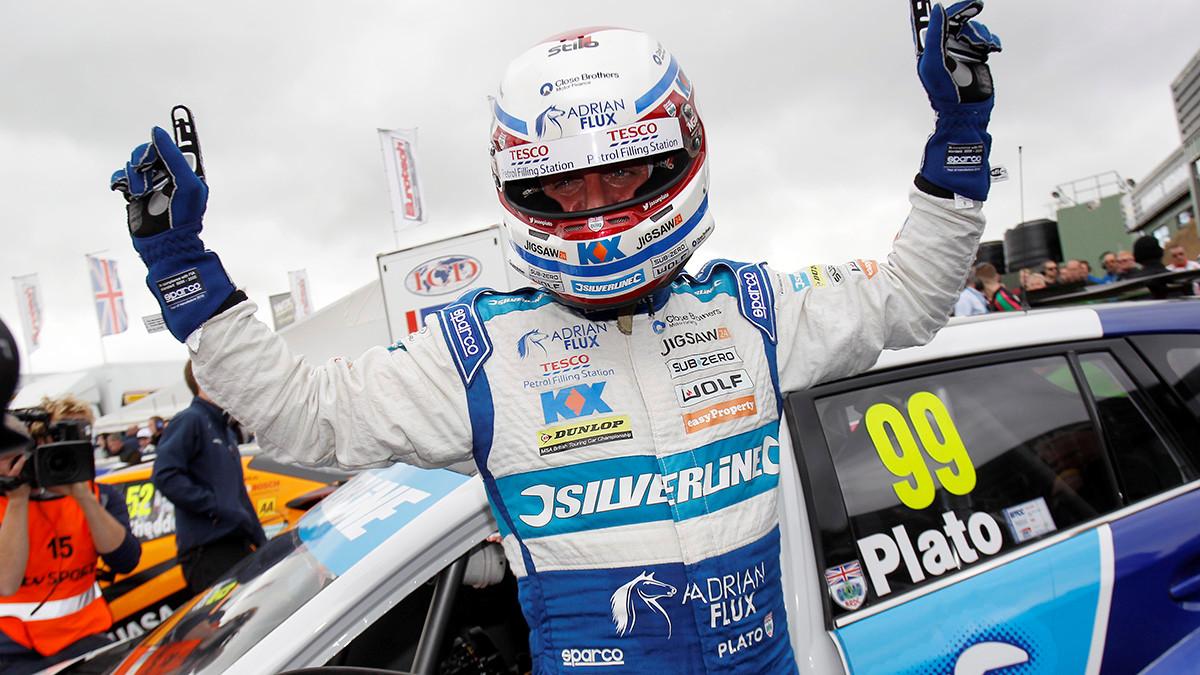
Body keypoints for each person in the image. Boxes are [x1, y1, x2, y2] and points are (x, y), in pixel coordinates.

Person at [110, 7, 1001, 673]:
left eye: (619, 166)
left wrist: (958, 135)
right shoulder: (477, 355)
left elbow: (910, 300)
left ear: (672, 156)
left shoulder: (753, 315)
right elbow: (303, 417)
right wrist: (182, 266)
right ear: (519, 187)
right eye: (561, 182)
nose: (593, 205)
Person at [0, 395, 141, 675]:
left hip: (86, 643)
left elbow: (126, 560)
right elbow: (6, 583)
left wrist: (82, 496)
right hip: (14, 652)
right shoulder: (7, 501)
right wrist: (18, 498)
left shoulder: (99, 496)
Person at [152, 361, 265, 596]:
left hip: (235, 544)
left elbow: (238, 495)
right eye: (223, 373)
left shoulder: (223, 428)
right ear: (202, 380)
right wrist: (216, 507)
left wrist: (263, 544)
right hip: (209, 550)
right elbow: (165, 475)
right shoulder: (190, 420)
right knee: (225, 628)